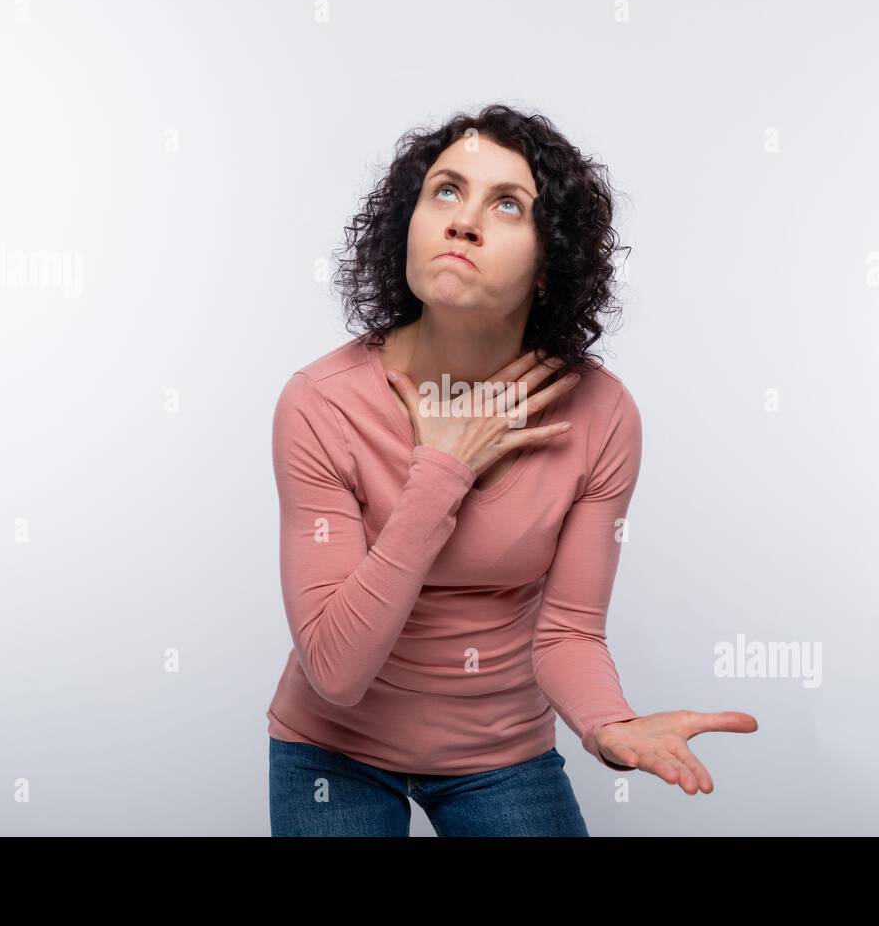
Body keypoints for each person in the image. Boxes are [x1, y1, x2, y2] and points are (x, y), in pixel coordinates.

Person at [266, 103, 757, 836]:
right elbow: (335, 671)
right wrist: (442, 468)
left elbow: (566, 633)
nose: (464, 221)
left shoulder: (600, 413)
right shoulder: (321, 404)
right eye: (446, 191)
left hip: (500, 757)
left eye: (507, 204)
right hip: (331, 752)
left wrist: (609, 726)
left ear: (549, 264)